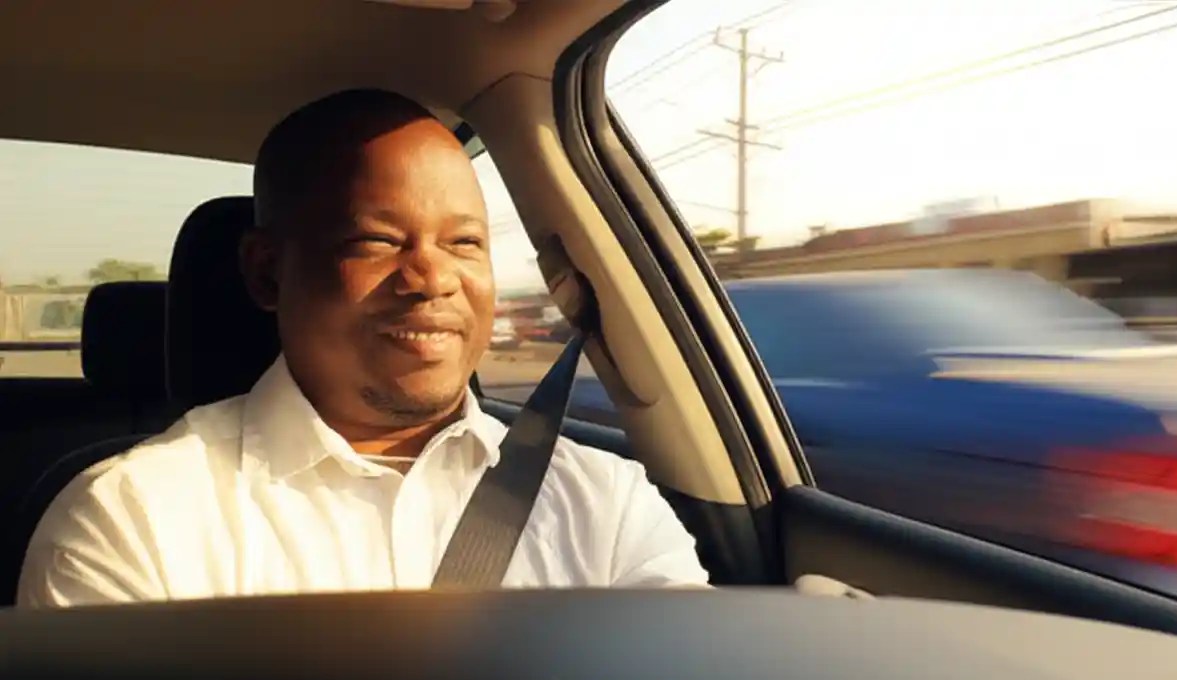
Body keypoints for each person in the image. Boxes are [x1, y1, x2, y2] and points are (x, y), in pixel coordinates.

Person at [18, 89, 708, 606]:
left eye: (465, 243)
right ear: (266, 272)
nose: (434, 278)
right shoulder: (137, 518)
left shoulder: (602, 501)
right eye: (376, 242)